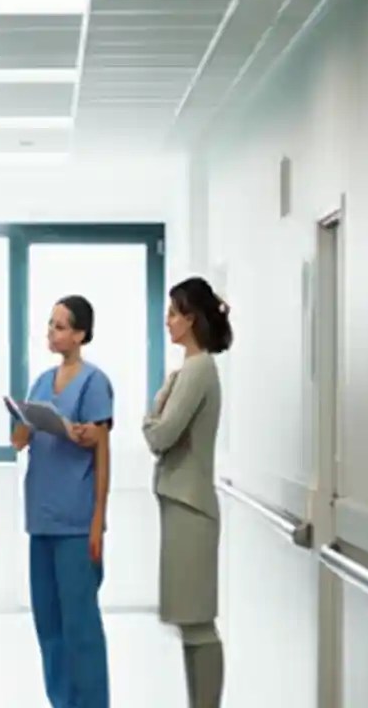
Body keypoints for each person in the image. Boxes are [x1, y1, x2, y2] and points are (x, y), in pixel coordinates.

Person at [12, 295, 113, 708]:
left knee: (80, 628)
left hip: (76, 522)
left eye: (60, 325)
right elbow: (18, 441)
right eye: (50, 324)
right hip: (42, 519)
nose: (51, 332)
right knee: (49, 627)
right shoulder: (39, 383)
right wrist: (22, 421)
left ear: (80, 334)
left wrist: (97, 522)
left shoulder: (94, 382)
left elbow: (102, 452)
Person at [142, 277, 233, 708]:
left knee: (198, 625)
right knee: (189, 624)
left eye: (175, 313)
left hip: (191, 508)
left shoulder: (196, 371)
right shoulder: (190, 370)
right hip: (183, 506)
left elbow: (160, 435)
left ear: (192, 319)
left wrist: (156, 406)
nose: (168, 320)